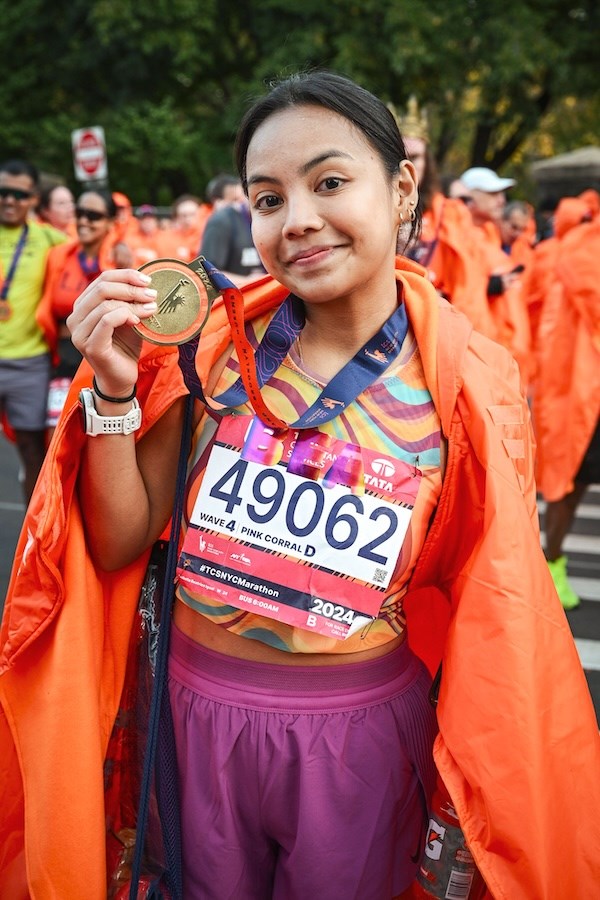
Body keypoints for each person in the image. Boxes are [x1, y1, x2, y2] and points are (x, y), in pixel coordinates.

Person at [0, 72, 599, 900]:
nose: (299, 219)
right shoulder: (211, 353)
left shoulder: (468, 384)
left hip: (358, 742)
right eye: (269, 198)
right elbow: (118, 542)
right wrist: (109, 391)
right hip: (193, 718)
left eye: (329, 182)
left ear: (401, 189)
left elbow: (494, 607)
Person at [529, 203, 600, 610]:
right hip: (573, 390)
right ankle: (551, 563)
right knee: (567, 485)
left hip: (574, 390)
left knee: (570, 485)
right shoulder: (568, 255)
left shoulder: (562, 255)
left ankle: (552, 562)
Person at [391, 98, 496, 340]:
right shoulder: (370, 213)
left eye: (416, 157)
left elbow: (468, 288)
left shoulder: (452, 215)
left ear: (428, 161)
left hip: (440, 329)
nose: (407, 167)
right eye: (399, 158)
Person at [0, 159, 67, 501]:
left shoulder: (49, 239)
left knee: (32, 451)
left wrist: (117, 247)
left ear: (33, 199)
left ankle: (32, 529)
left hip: (29, 363)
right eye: (3, 192)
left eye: (19, 194)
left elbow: (90, 250)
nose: (9, 200)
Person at [35, 189, 119, 435]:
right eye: (80, 213)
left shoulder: (120, 258)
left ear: (110, 222)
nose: (83, 220)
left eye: (93, 216)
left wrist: (118, 247)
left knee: (95, 439)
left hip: (101, 364)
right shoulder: (59, 255)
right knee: (56, 436)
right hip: (63, 359)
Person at [459, 166, 531, 384]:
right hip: (470, 357)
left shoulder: (487, 237)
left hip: (497, 354)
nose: (501, 200)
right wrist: (489, 286)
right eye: (492, 193)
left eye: (501, 194)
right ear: (469, 197)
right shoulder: (457, 237)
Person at [199, 174, 264, 285]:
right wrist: (248, 282)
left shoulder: (266, 220)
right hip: (239, 293)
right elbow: (205, 273)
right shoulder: (222, 220)